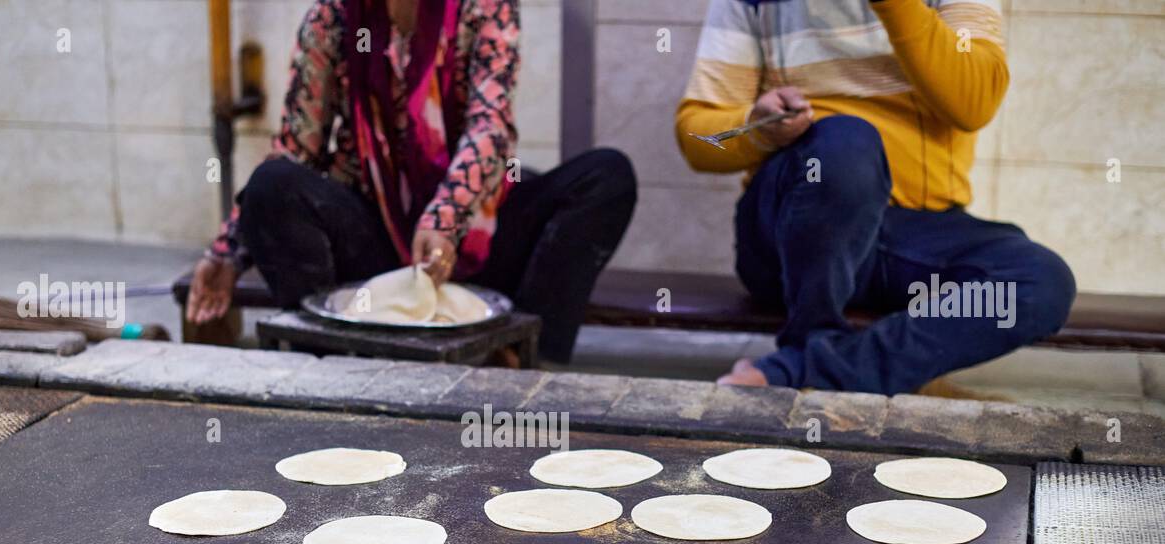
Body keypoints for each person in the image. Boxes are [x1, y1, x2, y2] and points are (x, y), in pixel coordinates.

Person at [189, 0, 637, 365]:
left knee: (607, 177)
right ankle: (333, 359)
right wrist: (227, 249)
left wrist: (445, 216)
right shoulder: (335, 18)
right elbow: (296, 148)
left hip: (477, 239)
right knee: (273, 184)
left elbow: (489, 127)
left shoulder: (483, 8)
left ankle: (518, 353)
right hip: (377, 248)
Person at [676, 0, 1076, 395]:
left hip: (912, 232)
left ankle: (808, 370)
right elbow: (697, 139)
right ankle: (823, 350)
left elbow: (973, 104)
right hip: (792, 237)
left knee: (1041, 279)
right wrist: (759, 128)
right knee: (846, 141)